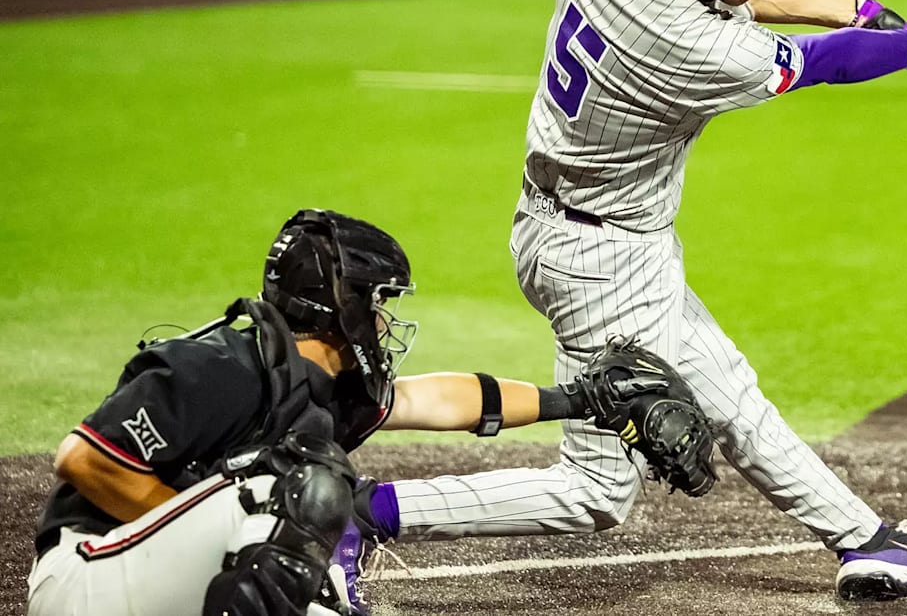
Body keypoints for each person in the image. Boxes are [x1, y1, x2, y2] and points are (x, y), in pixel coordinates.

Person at [349, 0, 907, 602]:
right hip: (604, 259)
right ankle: (356, 513)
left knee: (731, 397)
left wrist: (859, 8)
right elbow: (820, 63)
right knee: (596, 491)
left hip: (577, 230)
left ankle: (865, 543)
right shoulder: (695, 48)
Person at [25, 209, 621, 616]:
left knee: (308, 559)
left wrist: (578, 400)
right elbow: (82, 460)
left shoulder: (320, 386)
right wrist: (218, 533)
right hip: (87, 579)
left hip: (158, 581)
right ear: (345, 306)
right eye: (379, 303)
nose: (384, 322)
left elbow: (440, 400)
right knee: (300, 498)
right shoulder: (218, 369)